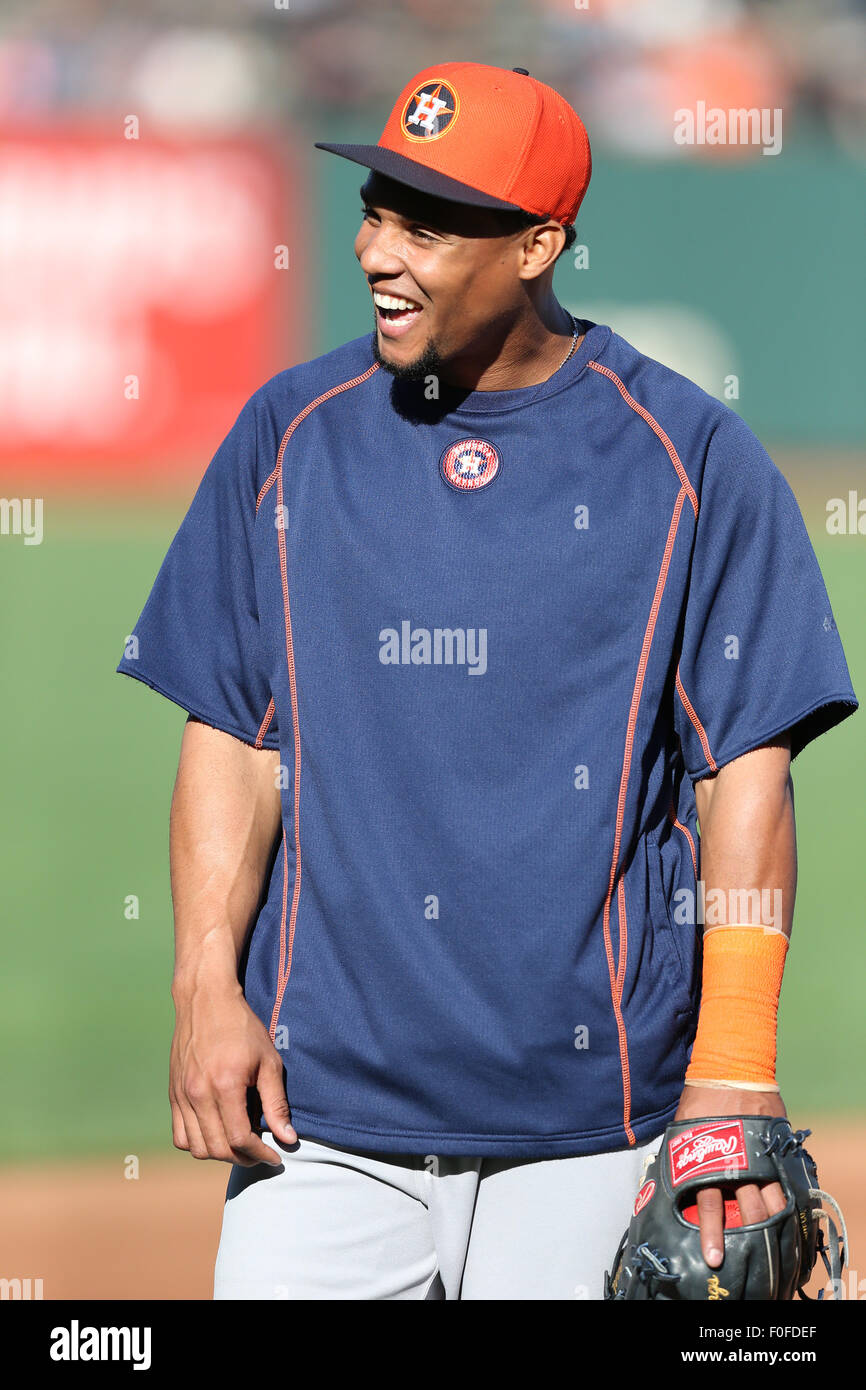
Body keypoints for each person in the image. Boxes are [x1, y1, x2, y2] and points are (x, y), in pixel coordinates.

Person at [117, 62, 858, 1300]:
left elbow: (746, 770)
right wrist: (204, 979)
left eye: (427, 223)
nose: (374, 250)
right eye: (372, 207)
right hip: (318, 1125)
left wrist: (733, 1061)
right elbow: (237, 735)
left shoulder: (688, 459)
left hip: (592, 1122)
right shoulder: (290, 435)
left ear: (536, 244)